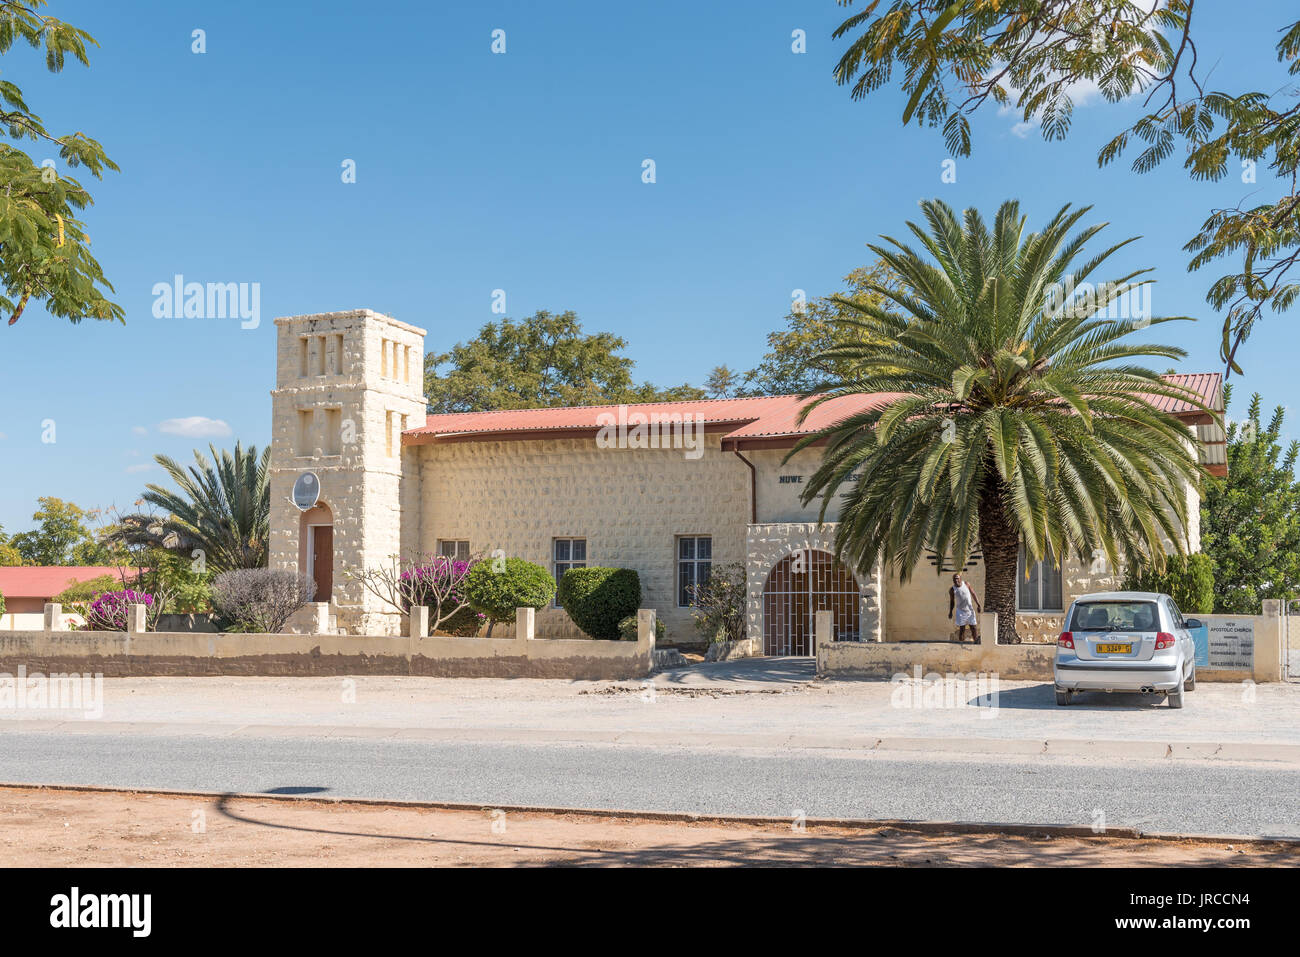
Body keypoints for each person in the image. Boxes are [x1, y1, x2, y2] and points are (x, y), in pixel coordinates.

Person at [948, 572, 981, 643]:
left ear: (960, 579)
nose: (956, 580)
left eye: (957, 578)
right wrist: (950, 611)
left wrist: (978, 605)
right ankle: (961, 645)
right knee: (962, 629)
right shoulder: (952, 590)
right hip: (960, 612)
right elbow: (952, 602)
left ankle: (976, 643)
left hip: (970, 611)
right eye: (954, 579)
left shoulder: (966, 584)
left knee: (974, 628)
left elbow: (973, 594)